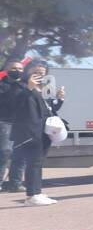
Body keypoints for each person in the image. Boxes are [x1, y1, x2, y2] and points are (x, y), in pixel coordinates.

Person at [7, 62, 58, 205]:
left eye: (43, 72)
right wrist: (29, 87)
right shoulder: (19, 86)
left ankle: (37, 192)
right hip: (29, 131)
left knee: (38, 163)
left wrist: (59, 100)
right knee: (33, 162)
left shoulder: (41, 88)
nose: (40, 74)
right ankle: (31, 196)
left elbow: (46, 109)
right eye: (36, 71)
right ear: (28, 71)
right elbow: (15, 104)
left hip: (42, 130)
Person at [0, 57, 25, 191]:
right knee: (4, 152)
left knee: (20, 153)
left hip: (22, 124)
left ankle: (15, 183)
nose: (17, 71)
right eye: (13, 69)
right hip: (4, 122)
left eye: (20, 69)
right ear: (6, 70)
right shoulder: (1, 84)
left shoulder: (25, 85)